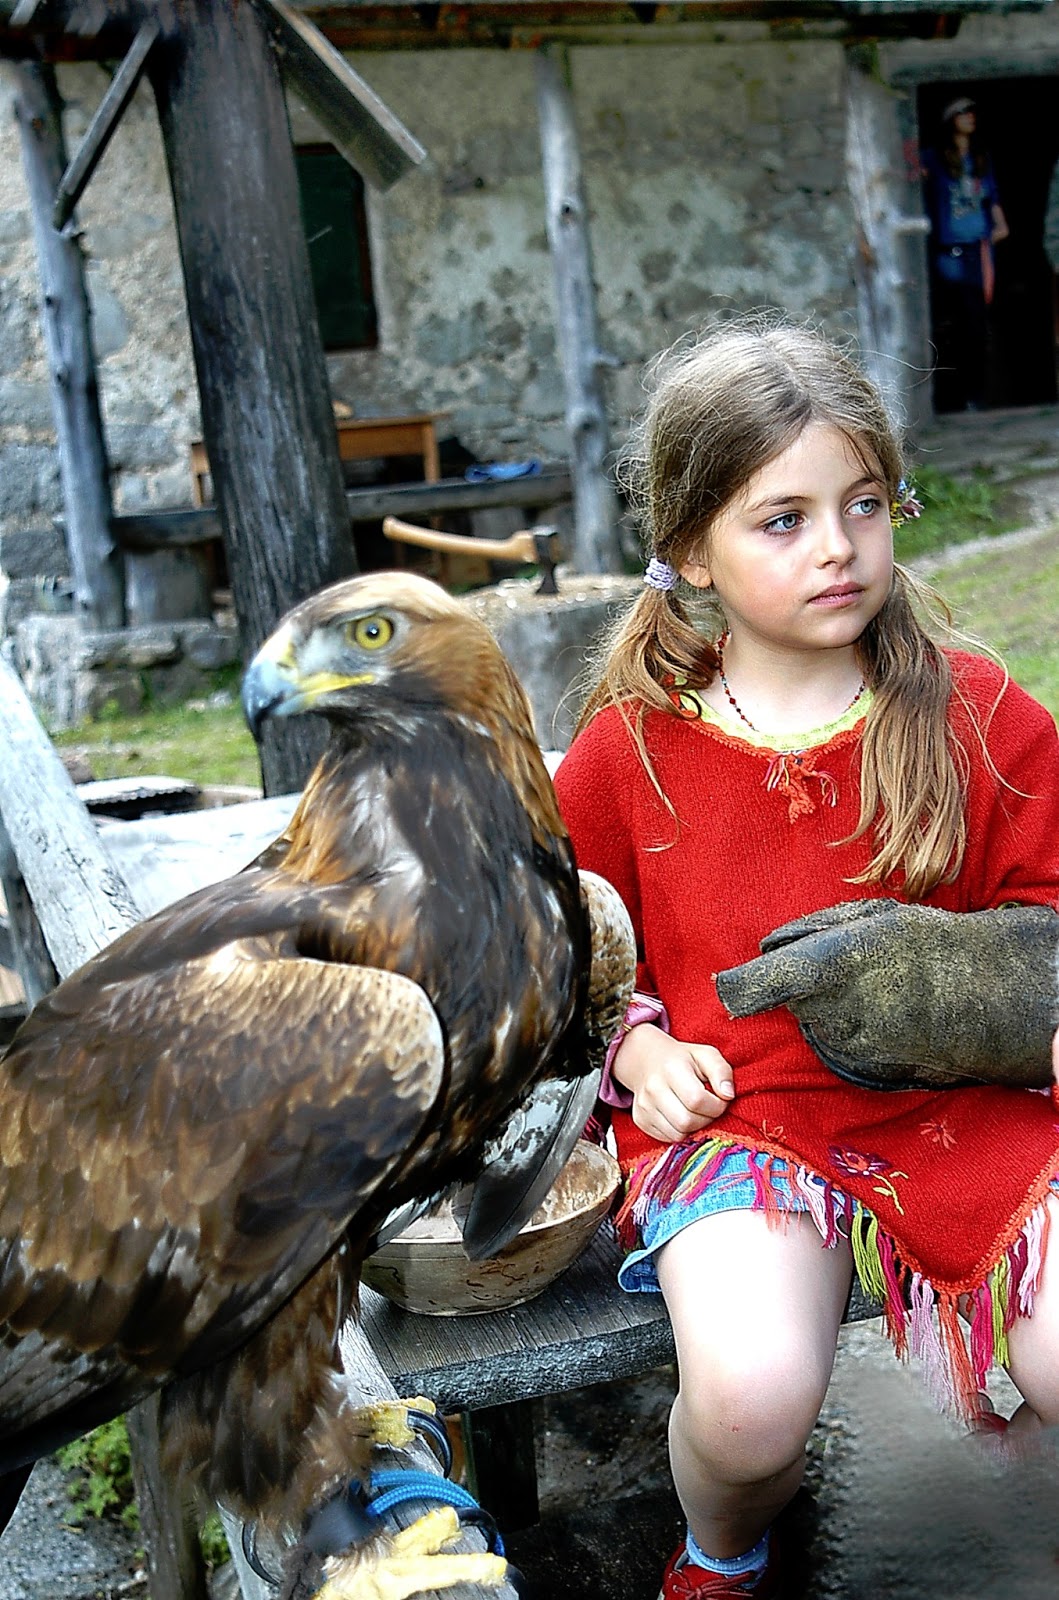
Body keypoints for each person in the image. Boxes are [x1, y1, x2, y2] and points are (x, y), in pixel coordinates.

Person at [553, 319, 1059, 1599]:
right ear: (689, 555)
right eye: (782, 520)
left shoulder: (982, 714)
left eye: (864, 504)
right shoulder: (629, 756)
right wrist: (636, 1046)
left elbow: (1050, 920)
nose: (838, 547)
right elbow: (565, 954)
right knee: (752, 1405)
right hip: (747, 1121)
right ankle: (721, 1553)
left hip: (973, 1106)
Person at [921, 97, 1009, 411]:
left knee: (977, 324)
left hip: (978, 252)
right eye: (962, 112)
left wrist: (999, 226)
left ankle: (977, 396)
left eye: (973, 112)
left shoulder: (981, 158)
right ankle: (950, 399)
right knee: (950, 326)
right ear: (950, 120)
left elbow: (992, 199)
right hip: (948, 253)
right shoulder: (933, 159)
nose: (970, 117)